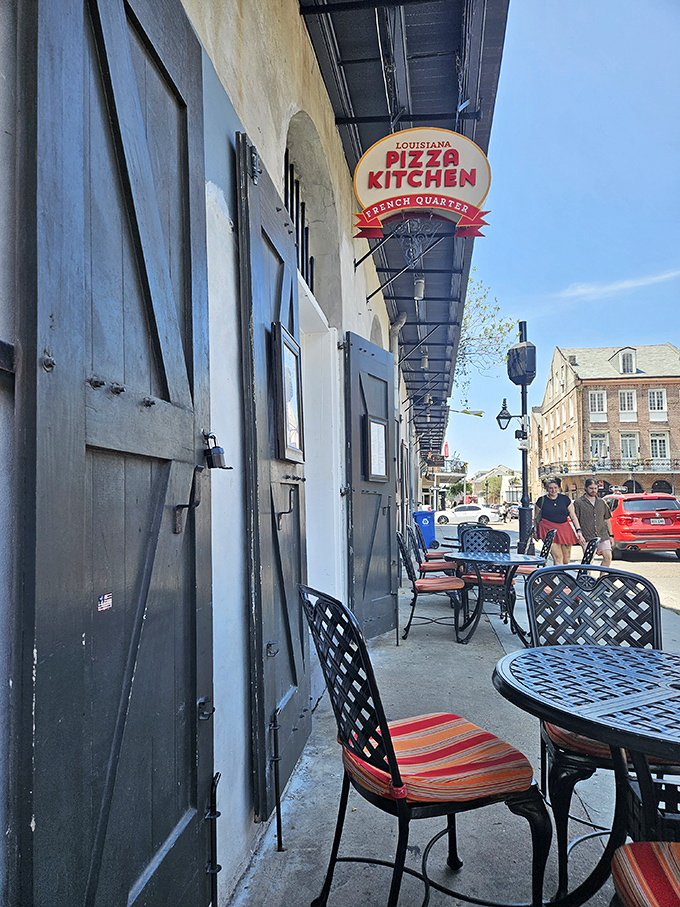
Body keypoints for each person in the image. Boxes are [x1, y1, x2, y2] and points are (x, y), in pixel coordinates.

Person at [533, 476, 584, 565]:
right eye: (550, 488)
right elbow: (536, 518)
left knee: (566, 559)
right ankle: (559, 577)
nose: (553, 490)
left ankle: (560, 577)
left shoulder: (565, 499)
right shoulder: (541, 500)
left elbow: (573, 516)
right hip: (547, 528)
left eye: (555, 488)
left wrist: (578, 531)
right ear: (547, 489)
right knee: (558, 557)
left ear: (559, 488)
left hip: (564, 528)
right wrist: (535, 531)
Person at [573, 478, 614, 567]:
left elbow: (607, 519)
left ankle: (601, 579)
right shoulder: (578, 503)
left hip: (602, 535)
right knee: (588, 561)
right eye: (591, 488)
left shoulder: (601, 502)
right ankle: (588, 579)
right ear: (586, 488)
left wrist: (611, 535)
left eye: (595, 488)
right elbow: (575, 519)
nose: (593, 490)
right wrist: (579, 534)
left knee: (608, 557)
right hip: (587, 536)